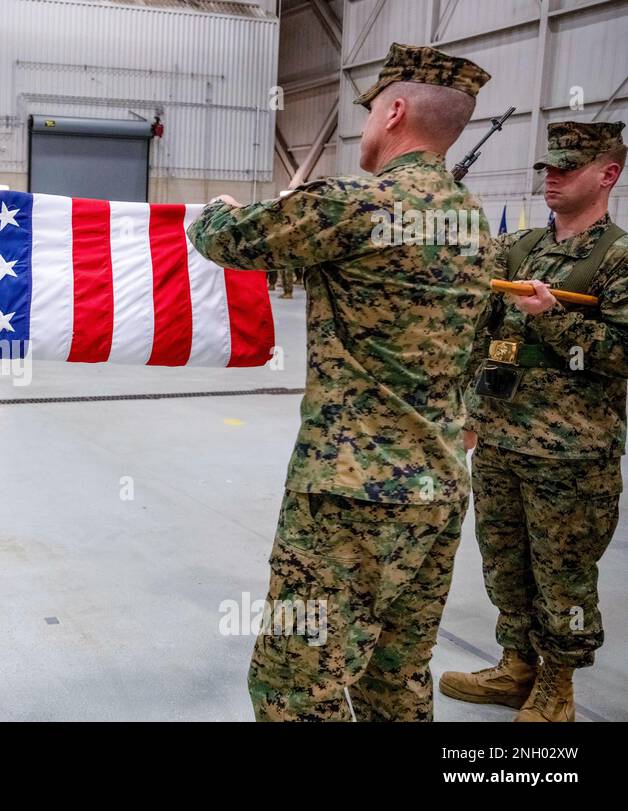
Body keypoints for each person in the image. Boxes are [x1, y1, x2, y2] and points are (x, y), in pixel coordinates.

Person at [187, 43, 492, 721]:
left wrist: (215, 208)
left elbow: (228, 239)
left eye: (371, 112)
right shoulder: (474, 224)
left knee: (296, 688)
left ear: (396, 111)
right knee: (399, 676)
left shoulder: (357, 205)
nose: (365, 128)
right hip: (438, 489)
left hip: (348, 496)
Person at [441, 121, 628, 722]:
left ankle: (557, 686)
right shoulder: (517, 247)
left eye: (567, 167)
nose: (552, 177)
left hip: (572, 452)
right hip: (498, 440)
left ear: (608, 174)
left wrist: (552, 318)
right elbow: (480, 334)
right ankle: (516, 664)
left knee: (564, 573)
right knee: (503, 561)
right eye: (548, 167)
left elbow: (623, 352)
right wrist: (469, 413)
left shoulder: (617, 258)